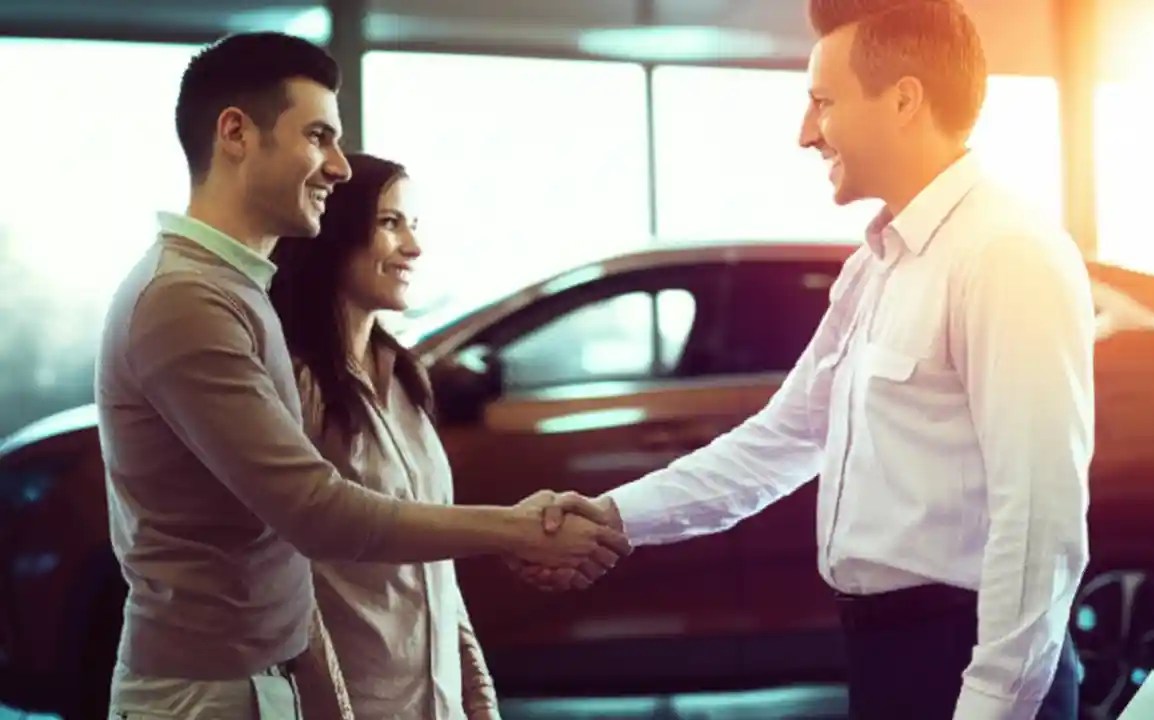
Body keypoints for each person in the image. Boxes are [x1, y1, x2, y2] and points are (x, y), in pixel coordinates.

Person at [521, 1, 1093, 718]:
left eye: (823, 102)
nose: (804, 133)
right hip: (887, 655)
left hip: (969, 664)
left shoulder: (1006, 252)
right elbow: (784, 438)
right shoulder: (876, 264)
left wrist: (989, 705)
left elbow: (1041, 518)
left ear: (905, 100)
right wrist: (616, 516)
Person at [95, 32, 627, 720]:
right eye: (319, 136)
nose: (339, 167)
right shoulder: (184, 301)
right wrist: (518, 530)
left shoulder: (235, 292)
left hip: (255, 685)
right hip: (212, 694)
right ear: (235, 134)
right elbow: (317, 513)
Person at [267, 153, 502, 719]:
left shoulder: (404, 377)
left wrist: (478, 698)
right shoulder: (293, 383)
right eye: (391, 224)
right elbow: (284, 575)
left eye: (413, 227)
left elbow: (437, 568)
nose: (413, 249)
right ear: (336, 233)